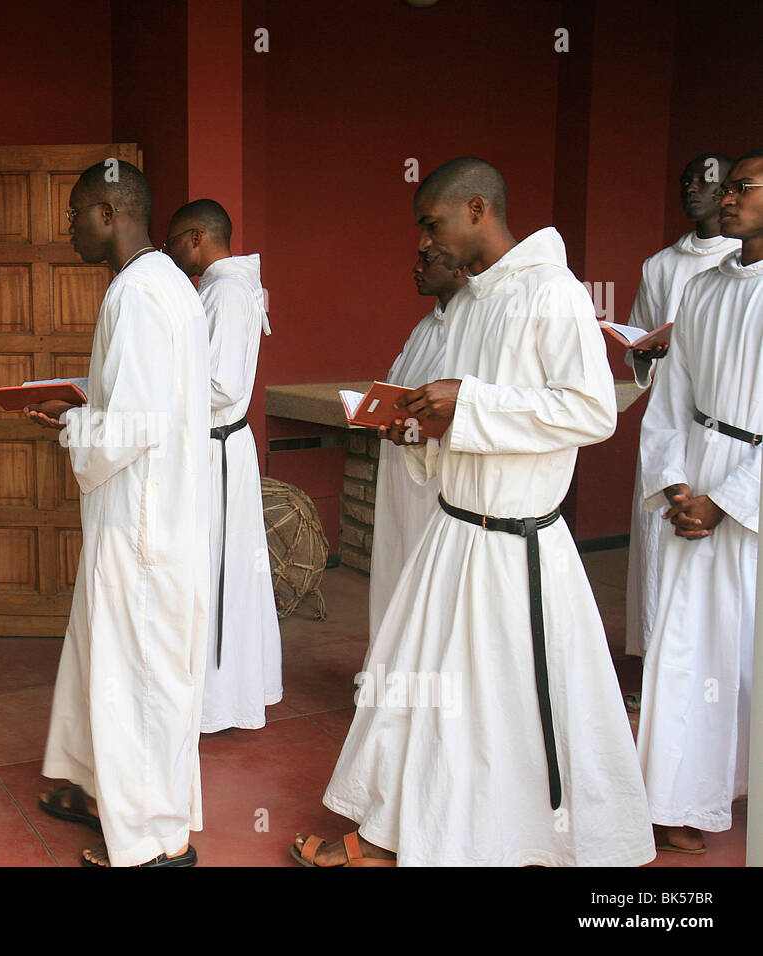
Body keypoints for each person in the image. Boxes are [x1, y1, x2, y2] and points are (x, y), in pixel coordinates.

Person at [294, 158, 654, 867]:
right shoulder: (473, 303)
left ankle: (479, 838)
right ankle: (396, 834)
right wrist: (422, 429)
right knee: (424, 696)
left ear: (478, 210)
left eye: (432, 222)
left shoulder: (553, 292)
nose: (425, 240)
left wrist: (470, 403)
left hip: (516, 546)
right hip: (455, 532)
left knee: (501, 709)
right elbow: (456, 417)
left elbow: (591, 409)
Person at [27, 162, 210, 866]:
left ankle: (152, 846)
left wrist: (76, 427)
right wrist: (85, 407)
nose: (68, 229)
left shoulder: (136, 294)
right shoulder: (167, 283)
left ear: (109, 213)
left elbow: (132, 427)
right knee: (106, 661)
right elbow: (144, 403)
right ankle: (97, 786)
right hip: (157, 513)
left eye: (75, 215)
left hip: (143, 524)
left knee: (138, 679)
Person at [635, 150, 763, 855]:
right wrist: (678, 486)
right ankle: (680, 793)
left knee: (744, 650)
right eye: (729, 186)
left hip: (749, 484)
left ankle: (734, 779)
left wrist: (730, 500)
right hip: (697, 477)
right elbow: (671, 401)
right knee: (689, 645)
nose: (727, 198)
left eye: (744, 187)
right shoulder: (706, 289)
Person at [163, 198, 282, 733]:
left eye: (172, 243)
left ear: (195, 237)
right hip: (208, 448)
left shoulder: (229, 292)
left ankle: (219, 700)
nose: (170, 254)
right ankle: (212, 693)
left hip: (217, 449)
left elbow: (223, 385)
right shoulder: (216, 290)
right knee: (210, 567)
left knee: (219, 569)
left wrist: (154, 381)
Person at [622, 153, 740, 673]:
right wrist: (641, 352)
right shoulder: (662, 265)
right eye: (686, 180)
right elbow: (640, 332)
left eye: (708, 182)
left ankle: (717, 670)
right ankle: (656, 663)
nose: (694, 189)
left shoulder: (744, 261)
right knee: (659, 544)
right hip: (671, 425)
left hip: (729, 422)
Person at [368, 252, 466, 644]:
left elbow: (468, 406)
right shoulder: (426, 325)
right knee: (394, 568)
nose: (416, 266)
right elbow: (398, 382)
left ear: (460, 267)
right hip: (399, 466)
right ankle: (390, 678)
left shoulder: (472, 328)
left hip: (437, 480)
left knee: (432, 584)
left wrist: (421, 426)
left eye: (427, 260)